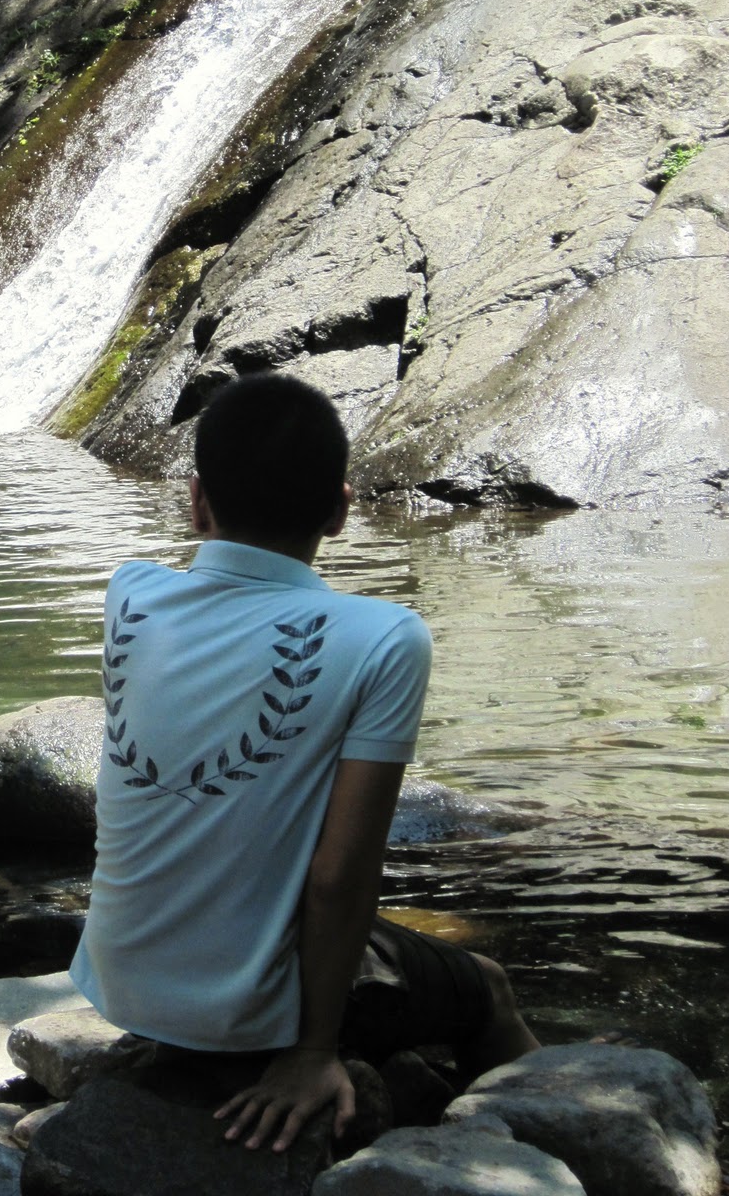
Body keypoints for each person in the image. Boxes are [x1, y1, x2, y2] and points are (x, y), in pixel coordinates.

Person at [70, 373, 539, 1154]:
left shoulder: (129, 594)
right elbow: (339, 874)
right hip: (243, 1013)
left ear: (195, 501)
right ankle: (563, 1130)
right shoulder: (385, 638)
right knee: (483, 985)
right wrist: (313, 1051)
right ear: (341, 509)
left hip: (119, 982)